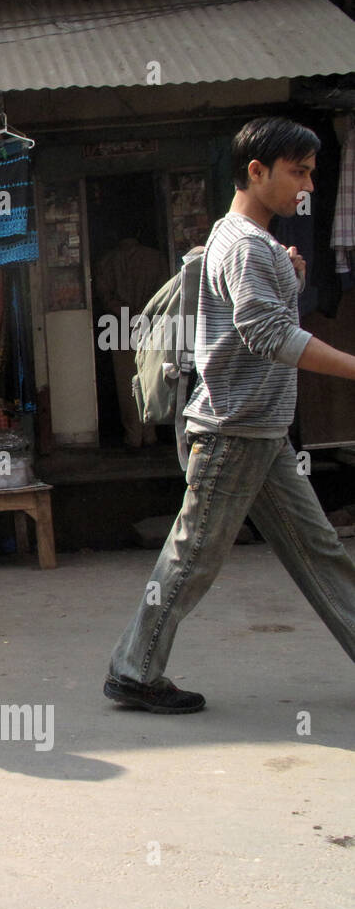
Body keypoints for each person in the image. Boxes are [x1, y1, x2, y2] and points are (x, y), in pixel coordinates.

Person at [106, 117, 355, 714]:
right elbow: (268, 334)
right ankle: (133, 670)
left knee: (318, 548)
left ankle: (133, 667)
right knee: (192, 556)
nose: (308, 187)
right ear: (256, 171)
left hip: (259, 432)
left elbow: (256, 323)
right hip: (232, 432)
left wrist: (289, 279)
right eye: (299, 172)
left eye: (312, 173)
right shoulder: (244, 245)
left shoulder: (249, 242)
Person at [94, 236, 167, 448]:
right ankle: (150, 432)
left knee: (127, 384)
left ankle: (133, 435)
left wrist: (126, 313)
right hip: (151, 327)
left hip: (119, 327)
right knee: (152, 380)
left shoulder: (107, 262)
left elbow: (104, 296)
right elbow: (163, 292)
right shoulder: (156, 258)